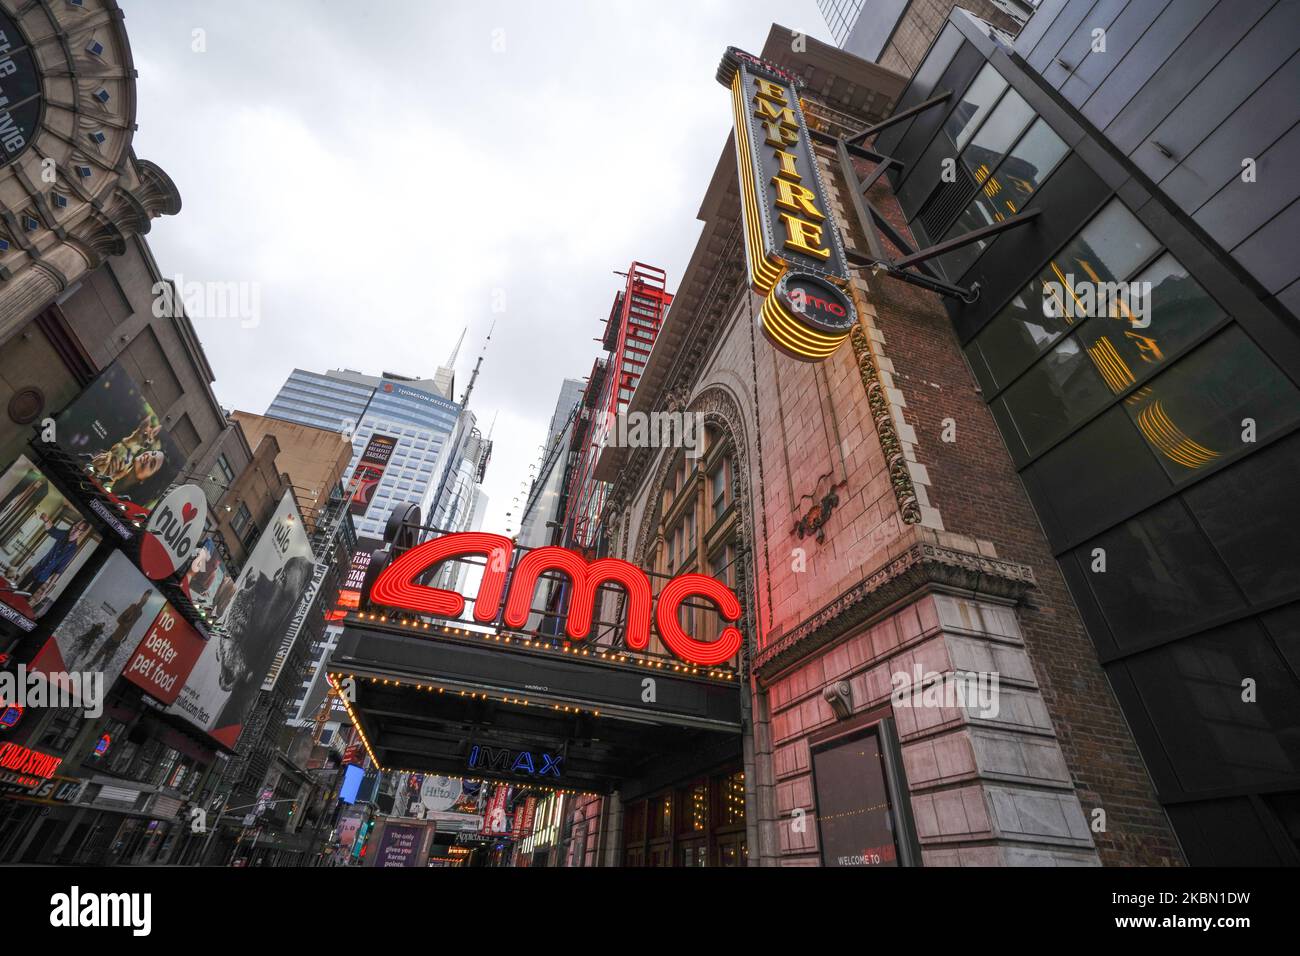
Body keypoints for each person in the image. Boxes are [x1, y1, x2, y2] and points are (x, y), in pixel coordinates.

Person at [84, 589, 152, 673]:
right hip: (112, 639)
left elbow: (132, 624)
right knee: (93, 662)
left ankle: (90, 683)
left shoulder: (140, 613)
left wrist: (126, 635)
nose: (145, 600)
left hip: (117, 643)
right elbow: (119, 619)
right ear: (142, 597)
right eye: (145, 597)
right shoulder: (133, 607)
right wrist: (124, 625)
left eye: (147, 599)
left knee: (102, 669)